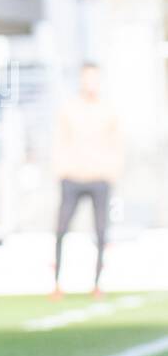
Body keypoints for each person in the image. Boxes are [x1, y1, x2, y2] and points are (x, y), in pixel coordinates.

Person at [52, 62, 123, 298]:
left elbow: (117, 143)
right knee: (61, 229)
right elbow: (60, 139)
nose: (90, 83)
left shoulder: (108, 109)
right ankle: (57, 283)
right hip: (72, 176)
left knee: (101, 230)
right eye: (86, 78)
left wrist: (112, 170)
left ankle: (97, 284)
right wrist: (61, 168)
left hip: (99, 177)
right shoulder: (69, 108)